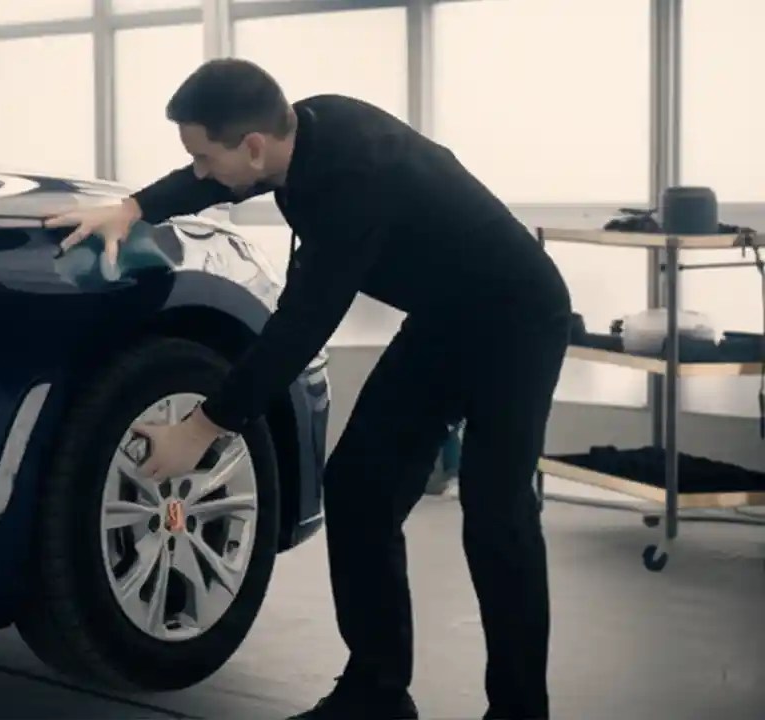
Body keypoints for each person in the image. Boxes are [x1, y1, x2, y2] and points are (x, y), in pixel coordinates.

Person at [44, 58, 571, 720]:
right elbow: (219, 185)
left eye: (205, 154)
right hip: (447, 320)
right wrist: (135, 207)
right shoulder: (301, 129)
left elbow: (299, 329)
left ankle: (522, 711)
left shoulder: (354, 179)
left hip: (519, 317)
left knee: (498, 514)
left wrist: (203, 428)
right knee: (358, 489)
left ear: (254, 144)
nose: (201, 170)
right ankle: (376, 694)